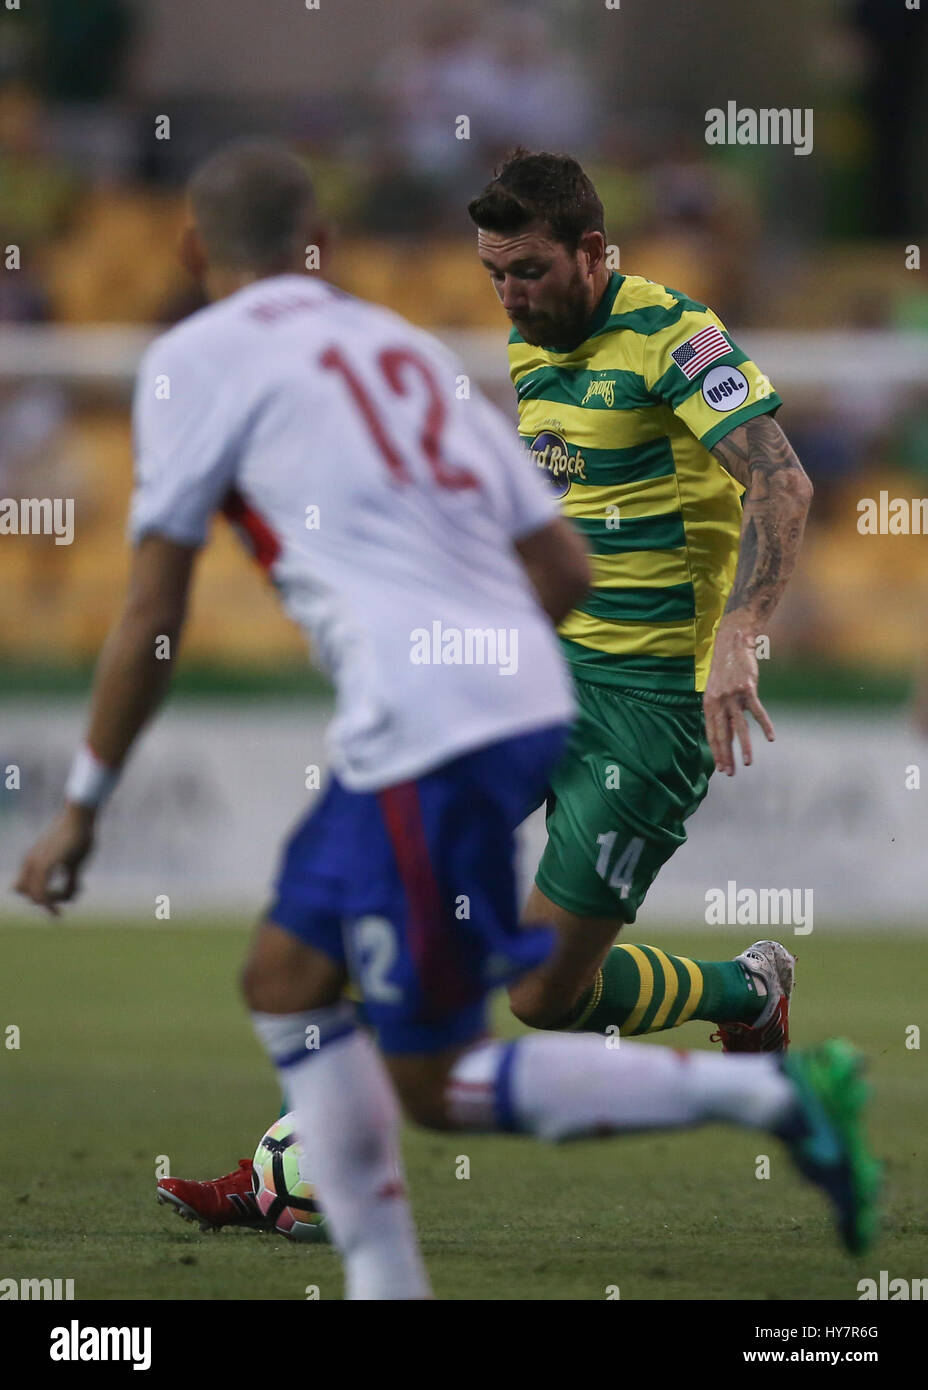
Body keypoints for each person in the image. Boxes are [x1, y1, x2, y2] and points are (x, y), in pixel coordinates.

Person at [16, 143, 881, 1295]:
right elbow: (550, 543)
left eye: (529, 270)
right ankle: (308, 1175)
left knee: (541, 997)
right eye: (493, 274)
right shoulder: (525, 354)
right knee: (350, 937)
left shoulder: (676, 337)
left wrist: (741, 632)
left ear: (591, 251)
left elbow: (780, 479)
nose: (511, 295)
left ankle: (744, 998)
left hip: (649, 709)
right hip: (528, 685)